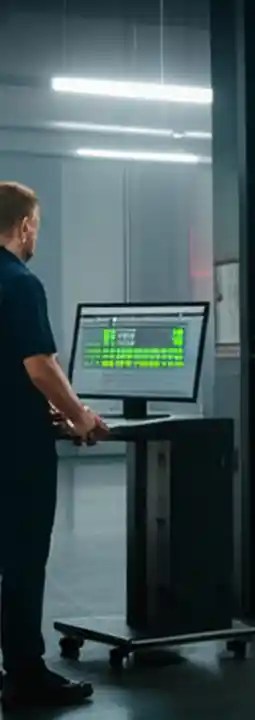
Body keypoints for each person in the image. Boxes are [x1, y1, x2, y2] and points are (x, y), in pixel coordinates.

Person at [0, 181, 106, 708]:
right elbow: (39, 364)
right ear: (25, 226)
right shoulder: (20, 283)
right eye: (36, 227)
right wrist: (79, 416)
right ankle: (24, 674)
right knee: (22, 559)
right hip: (15, 450)